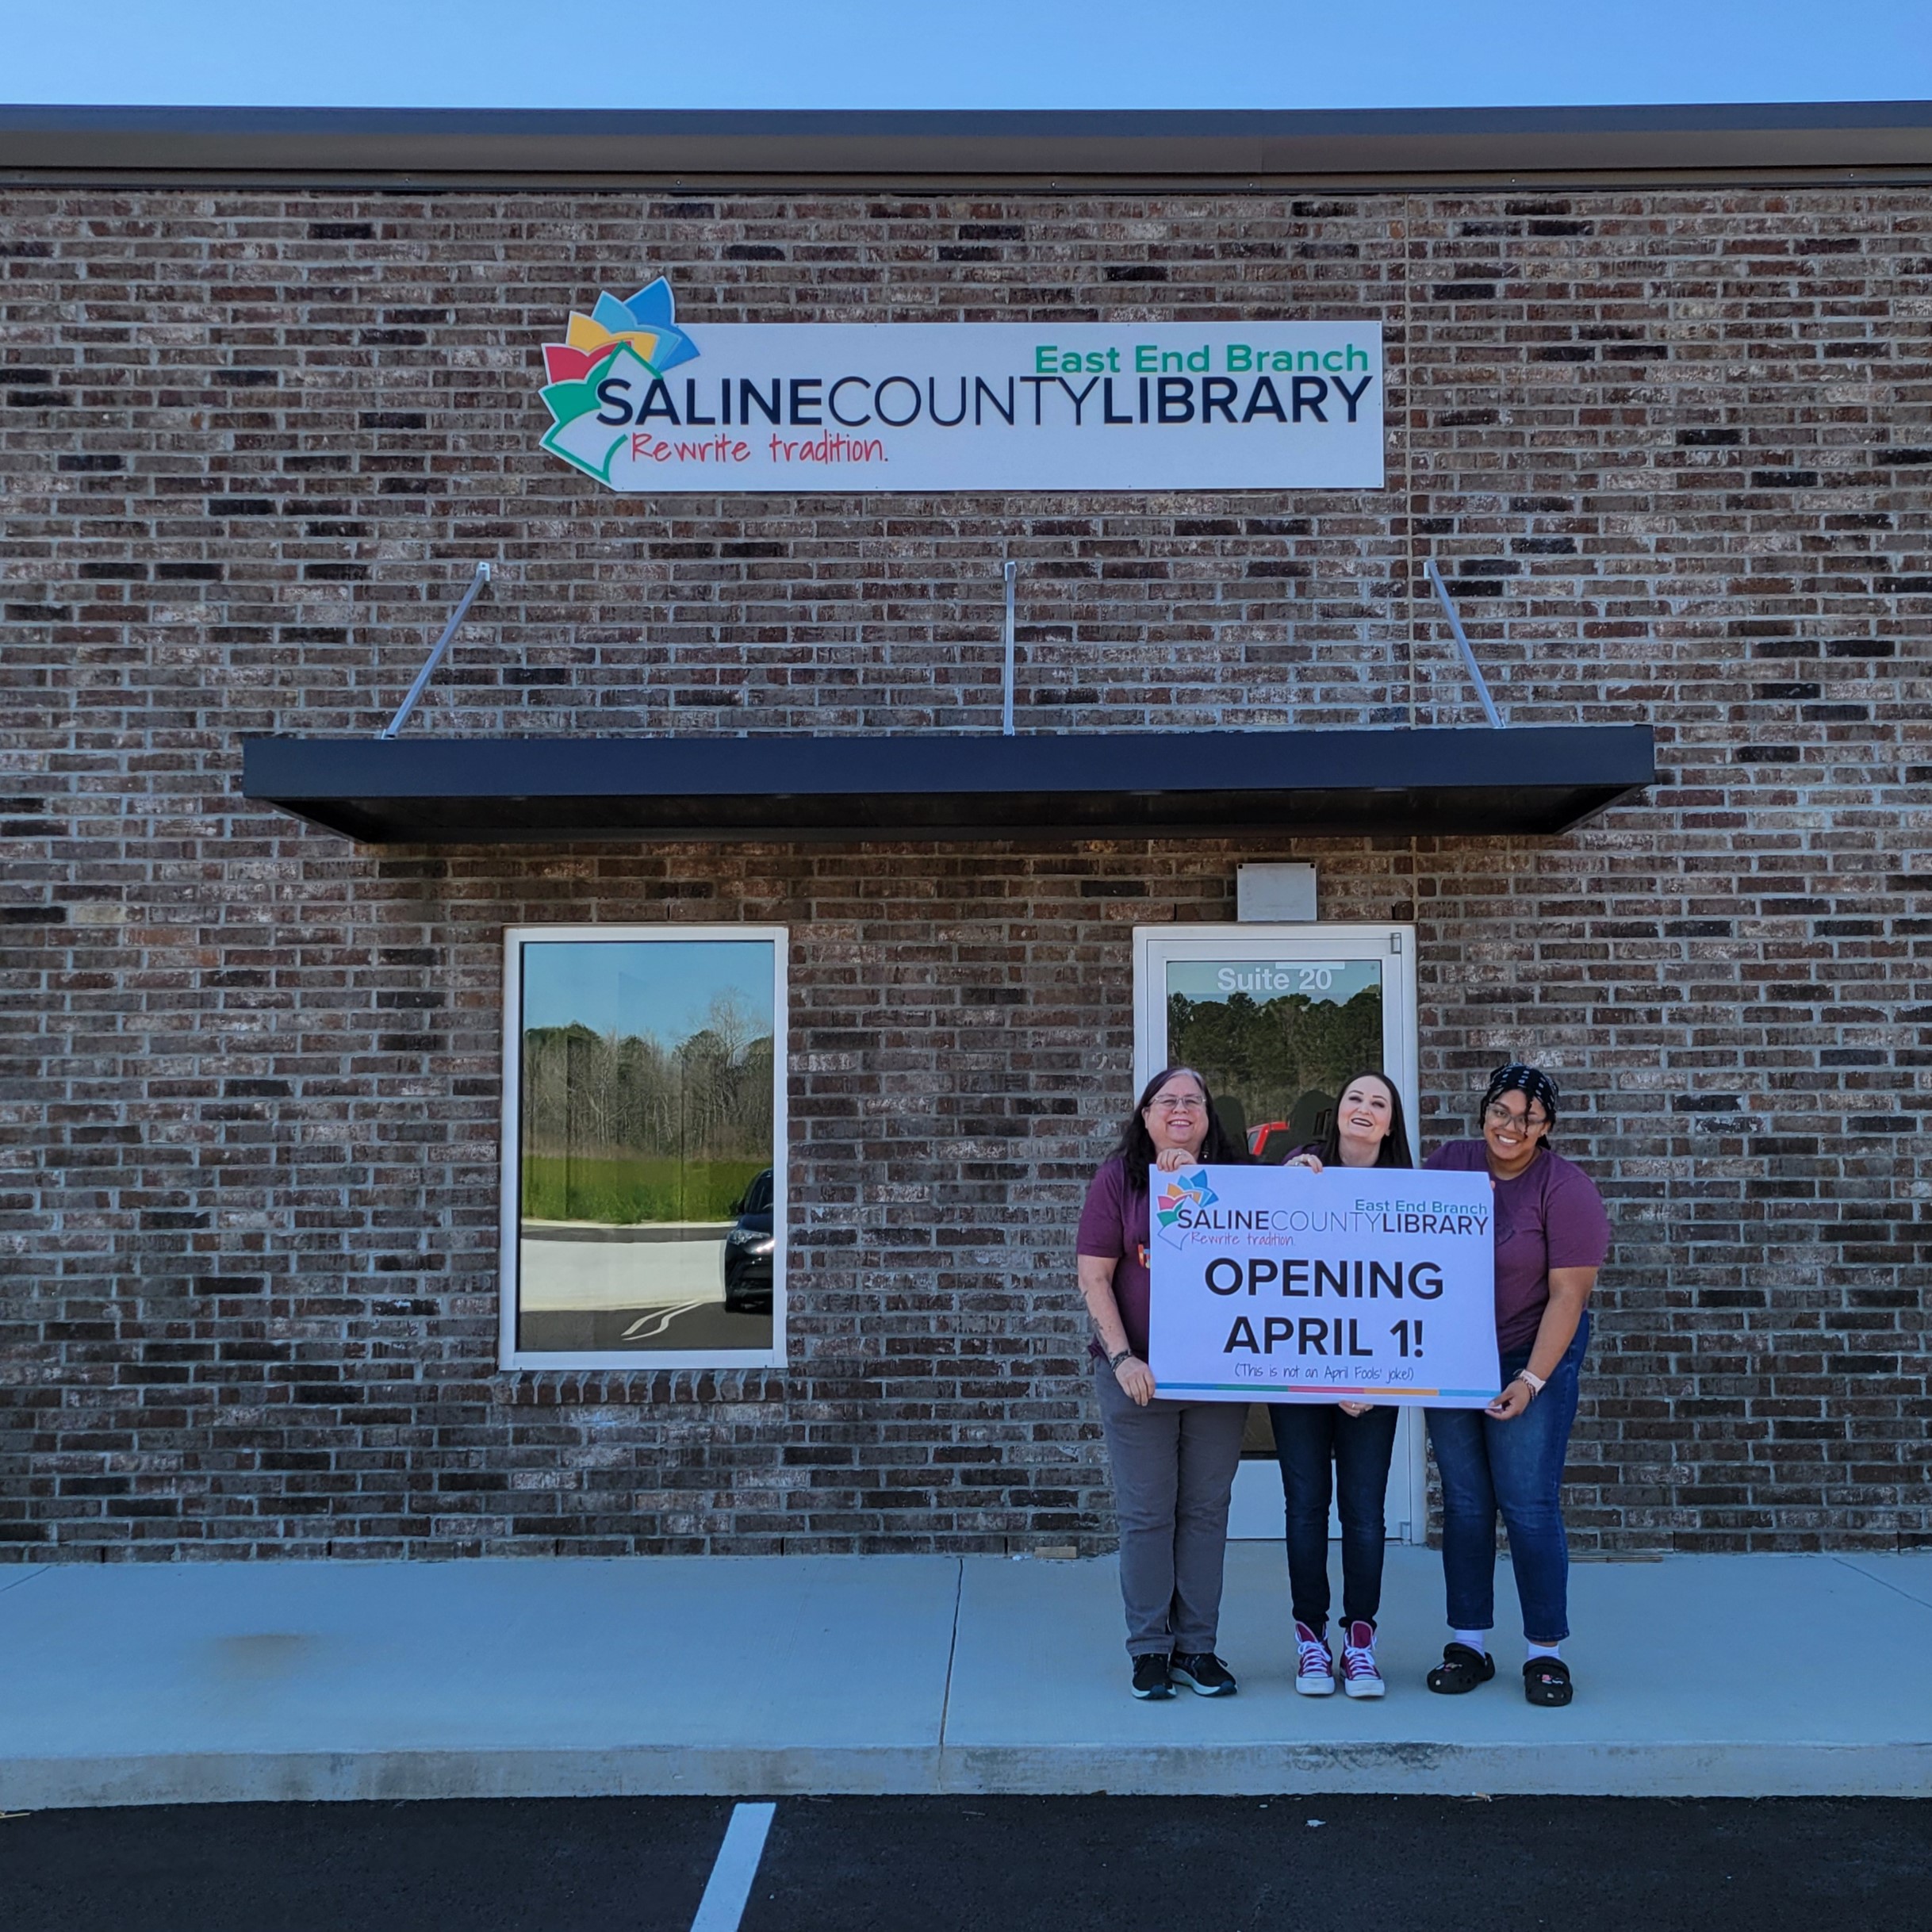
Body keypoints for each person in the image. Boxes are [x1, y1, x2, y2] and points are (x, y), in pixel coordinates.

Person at [1420, 1063, 1611, 1708]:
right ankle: (1468, 1642)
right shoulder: (1449, 1164)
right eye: (1501, 1111)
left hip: (1533, 1352)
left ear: (1546, 1126)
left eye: (1527, 1117)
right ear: (1484, 1113)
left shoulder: (1566, 1188)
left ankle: (1545, 1652)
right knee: (1467, 1502)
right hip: (1453, 1357)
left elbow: (1569, 1296)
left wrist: (1531, 1379)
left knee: (1527, 1503)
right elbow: (1379, 1224)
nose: (1511, 1126)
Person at [1076, 1067, 1251, 1701]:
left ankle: (1197, 1650)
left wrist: (1306, 1179)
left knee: (1205, 1513)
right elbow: (1094, 1277)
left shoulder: (1235, 1182)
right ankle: (1150, 1649)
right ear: (1145, 1115)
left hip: (1216, 1377)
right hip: (1139, 1374)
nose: (1181, 1109)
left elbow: (1283, 1234)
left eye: (1193, 1100)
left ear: (1209, 1115)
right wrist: (1123, 1358)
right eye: (1167, 1100)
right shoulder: (1118, 1180)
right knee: (1147, 1514)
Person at [1270, 1070, 1416, 1699]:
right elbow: (1263, 1259)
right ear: (1338, 1113)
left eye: (1378, 1103)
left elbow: (1418, 1298)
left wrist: (1377, 1378)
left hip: (1372, 1382)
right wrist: (1284, 1184)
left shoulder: (1412, 1196)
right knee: (1305, 1510)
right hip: (1298, 1375)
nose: (1365, 1109)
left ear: (1390, 1124)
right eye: (1355, 1098)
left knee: (1363, 1515)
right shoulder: (1299, 1173)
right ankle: (1310, 1640)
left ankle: (1360, 1643)